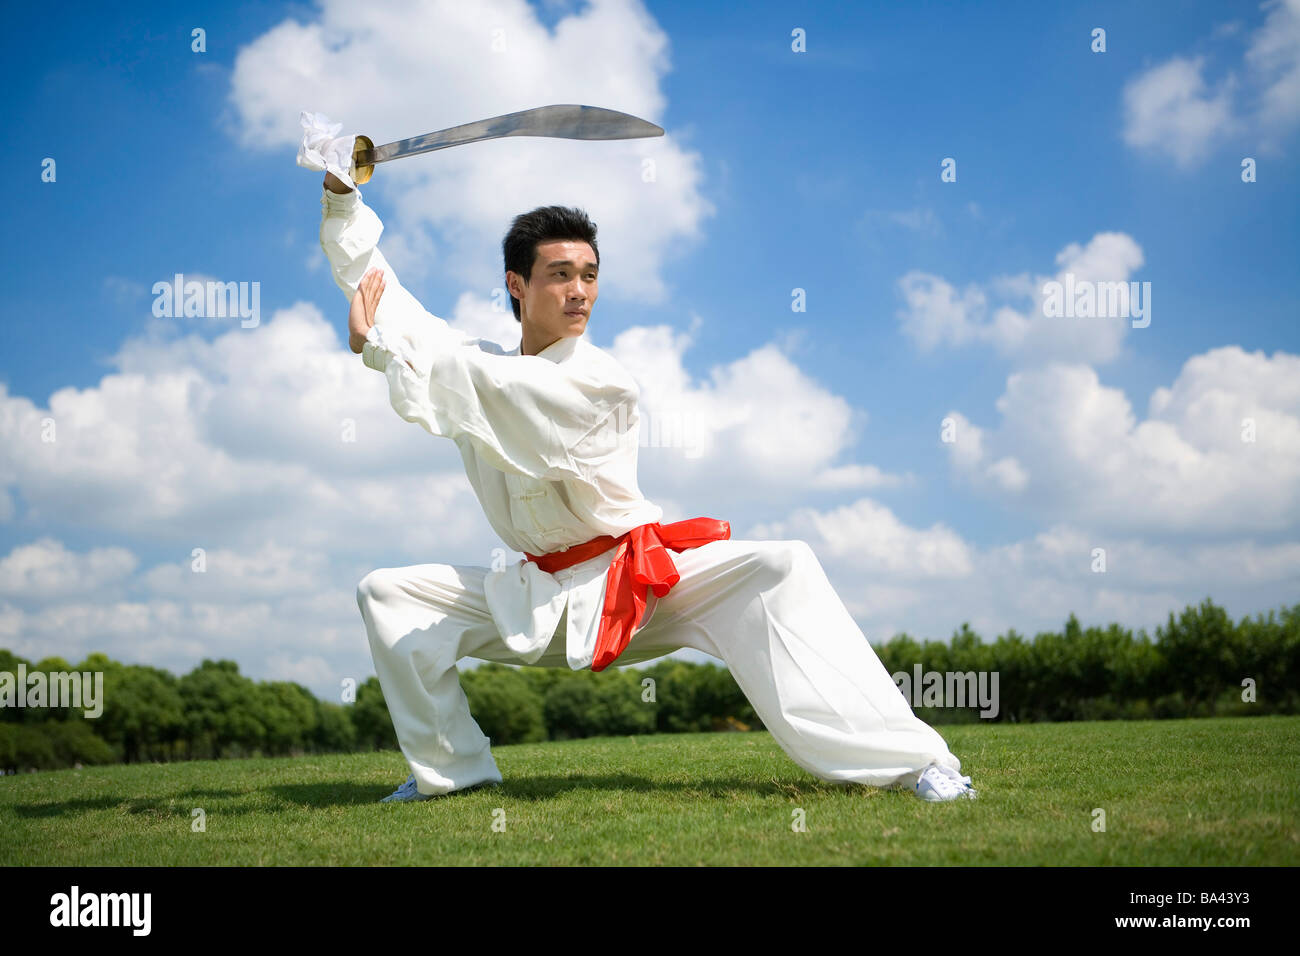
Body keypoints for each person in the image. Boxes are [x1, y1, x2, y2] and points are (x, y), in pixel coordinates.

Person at [309, 130, 977, 805]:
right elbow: (382, 294)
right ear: (516, 284)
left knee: (781, 566)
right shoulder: (480, 363)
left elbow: (498, 395)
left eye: (590, 276)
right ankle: (452, 773)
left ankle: (915, 763)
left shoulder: (602, 382)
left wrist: (385, 351)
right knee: (388, 594)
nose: (580, 292)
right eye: (560, 275)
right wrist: (342, 193)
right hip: (532, 594)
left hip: (641, 588)